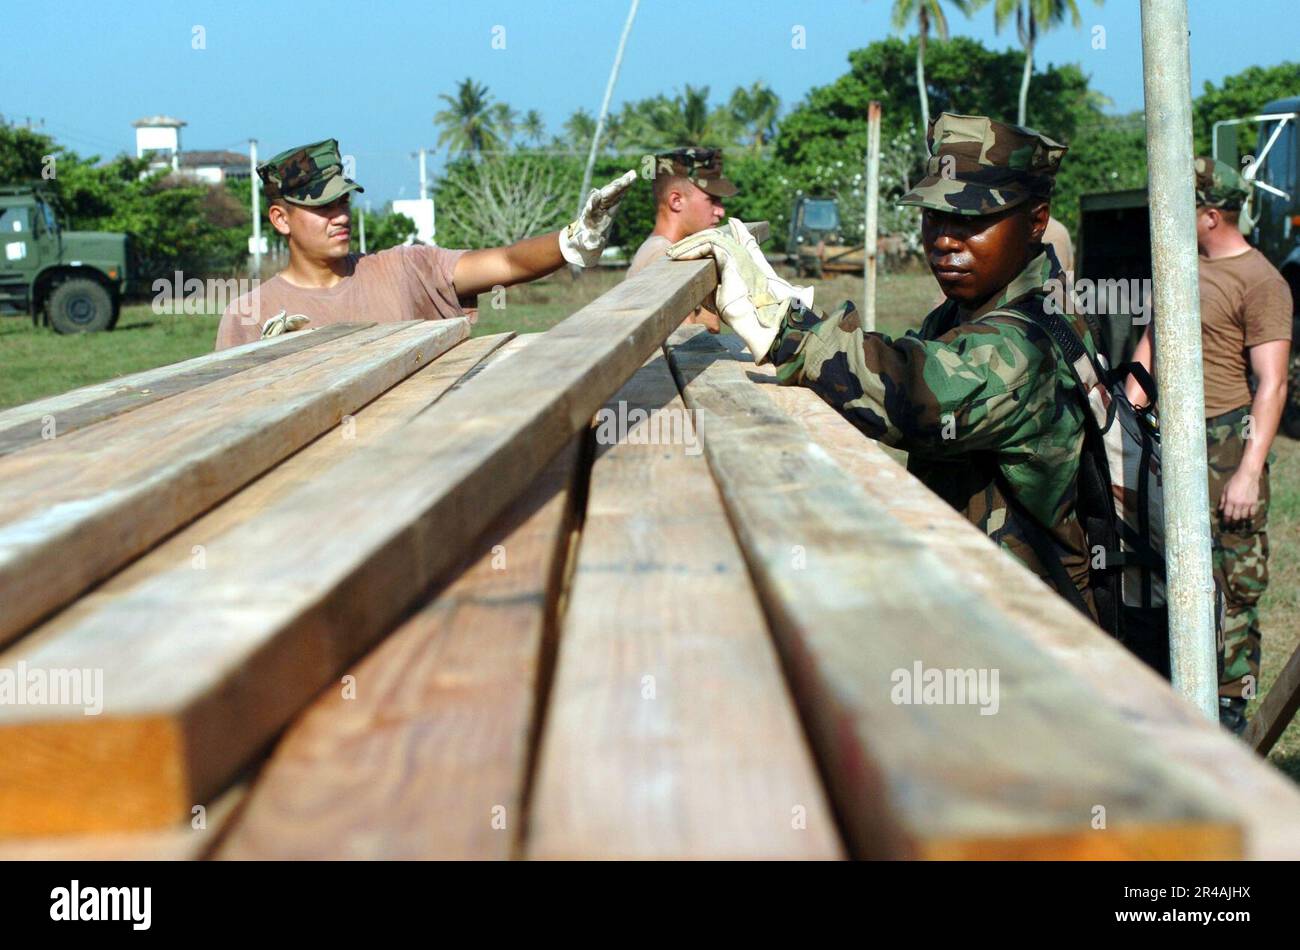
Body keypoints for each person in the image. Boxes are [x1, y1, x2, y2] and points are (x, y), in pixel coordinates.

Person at [671, 113, 1103, 609]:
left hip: (1035, 636)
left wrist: (791, 328)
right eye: (934, 217)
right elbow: (903, 360)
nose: (943, 239)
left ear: (1036, 222)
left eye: (972, 220)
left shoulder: (1030, 342)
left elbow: (916, 397)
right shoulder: (970, 310)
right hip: (974, 604)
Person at [1127, 158, 1292, 734]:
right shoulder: (1178, 265)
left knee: (1233, 581)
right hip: (1164, 438)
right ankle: (1172, 687)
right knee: (1161, 568)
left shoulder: (1262, 281)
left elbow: (1272, 382)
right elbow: (1151, 337)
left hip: (1225, 439)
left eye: (1181, 209)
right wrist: (1129, 412)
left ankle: (1227, 708)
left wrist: (1248, 471)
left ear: (1211, 215)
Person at [215, 139, 634, 349]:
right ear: (280, 219)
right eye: (323, 207)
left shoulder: (404, 268)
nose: (340, 215)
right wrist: (270, 363)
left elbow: (505, 263)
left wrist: (572, 240)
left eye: (342, 201)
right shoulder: (251, 317)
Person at [625, 147, 737, 331]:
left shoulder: (671, 250)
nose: (721, 211)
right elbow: (686, 349)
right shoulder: (665, 256)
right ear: (676, 201)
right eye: (712, 200)